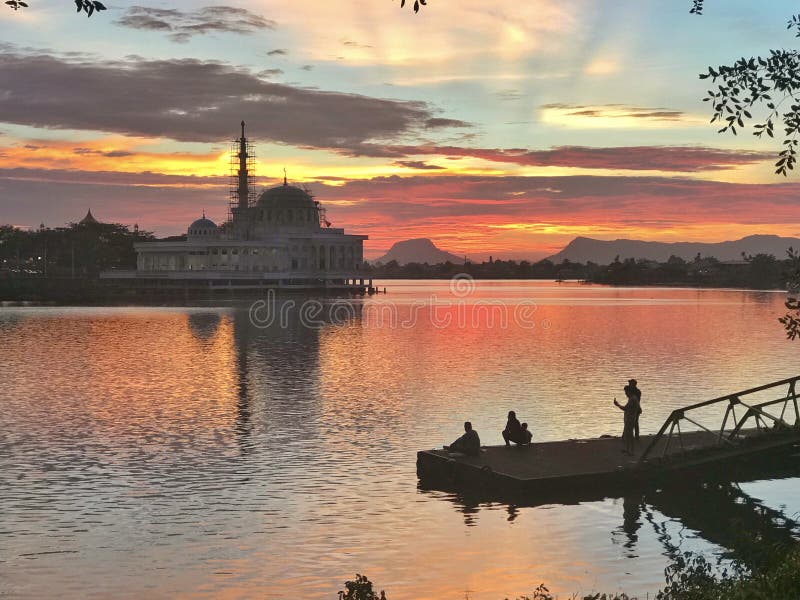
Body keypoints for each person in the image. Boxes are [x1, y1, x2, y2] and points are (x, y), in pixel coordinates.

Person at [614, 391, 639, 455]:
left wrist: (618, 405)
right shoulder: (633, 398)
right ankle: (628, 450)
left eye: (626, 392)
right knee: (628, 435)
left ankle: (631, 451)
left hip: (630, 420)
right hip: (630, 419)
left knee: (629, 435)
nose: (626, 394)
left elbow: (625, 408)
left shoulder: (632, 399)